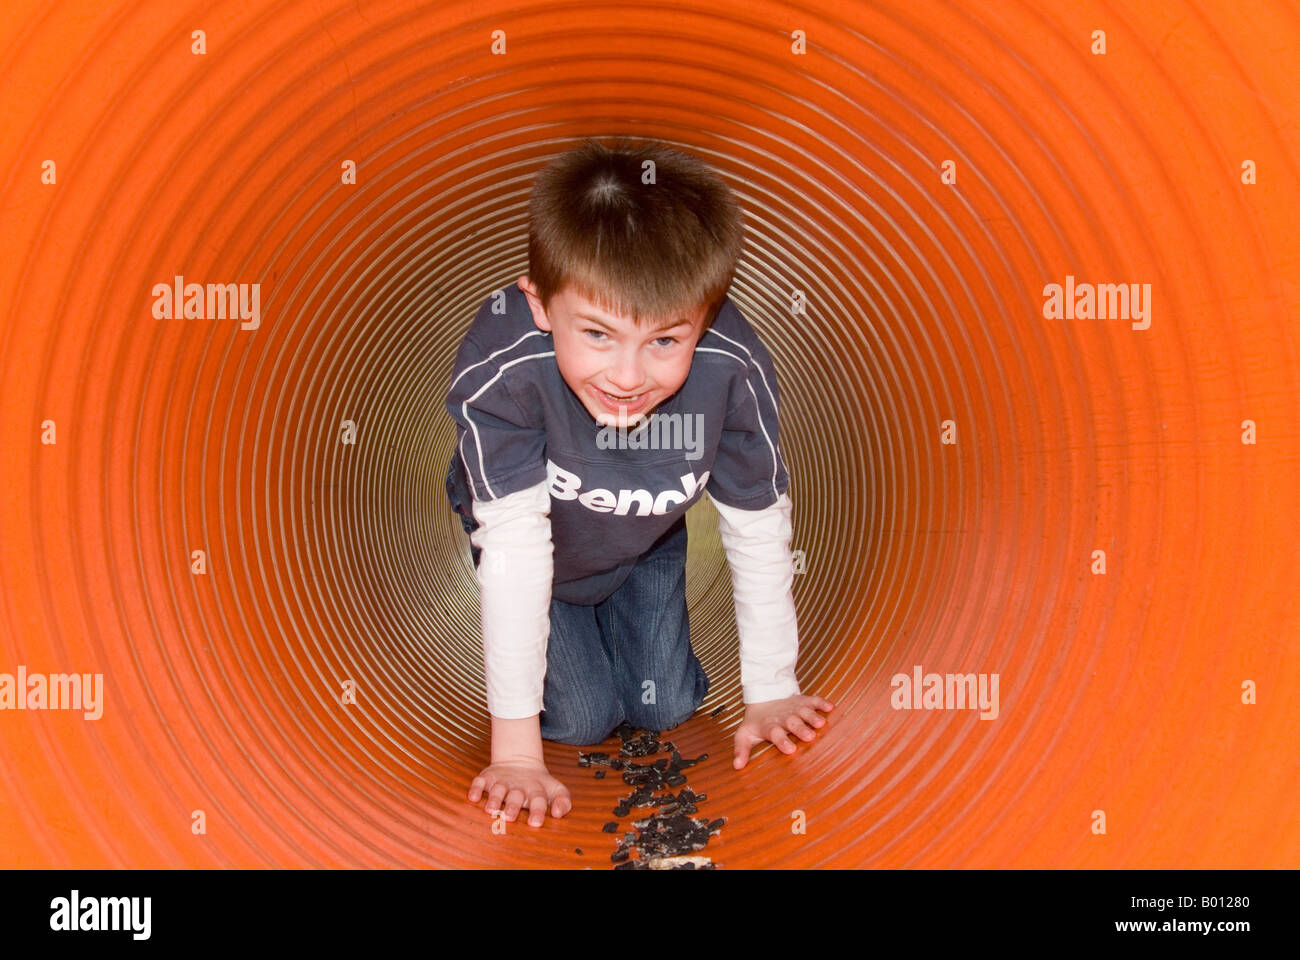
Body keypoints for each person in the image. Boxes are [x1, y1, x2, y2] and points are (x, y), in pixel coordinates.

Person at [443, 137, 834, 828]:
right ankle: (579, 635)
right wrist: (516, 753)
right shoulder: (505, 366)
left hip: (645, 536)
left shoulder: (732, 368)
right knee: (583, 718)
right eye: (597, 334)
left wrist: (772, 688)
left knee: (665, 708)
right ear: (540, 306)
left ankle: (618, 618)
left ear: (704, 319)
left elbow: (757, 523)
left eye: (664, 341)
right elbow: (515, 549)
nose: (627, 378)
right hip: (542, 544)